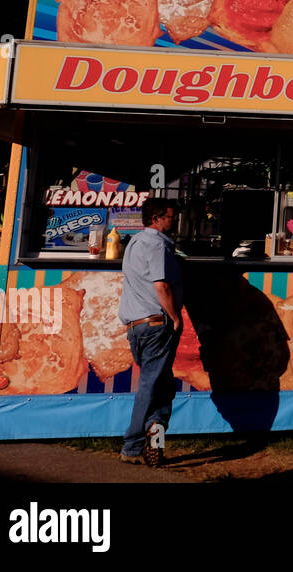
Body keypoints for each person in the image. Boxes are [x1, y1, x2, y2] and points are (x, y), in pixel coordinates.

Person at [117, 199, 182, 466]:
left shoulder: (134, 242)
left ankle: (156, 440)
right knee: (152, 385)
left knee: (162, 385)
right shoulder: (157, 245)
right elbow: (161, 286)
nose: (174, 220)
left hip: (136, 326)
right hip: (156, 324)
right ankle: (132, 446)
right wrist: (175, 317)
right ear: (157, 218)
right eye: (170, 216)